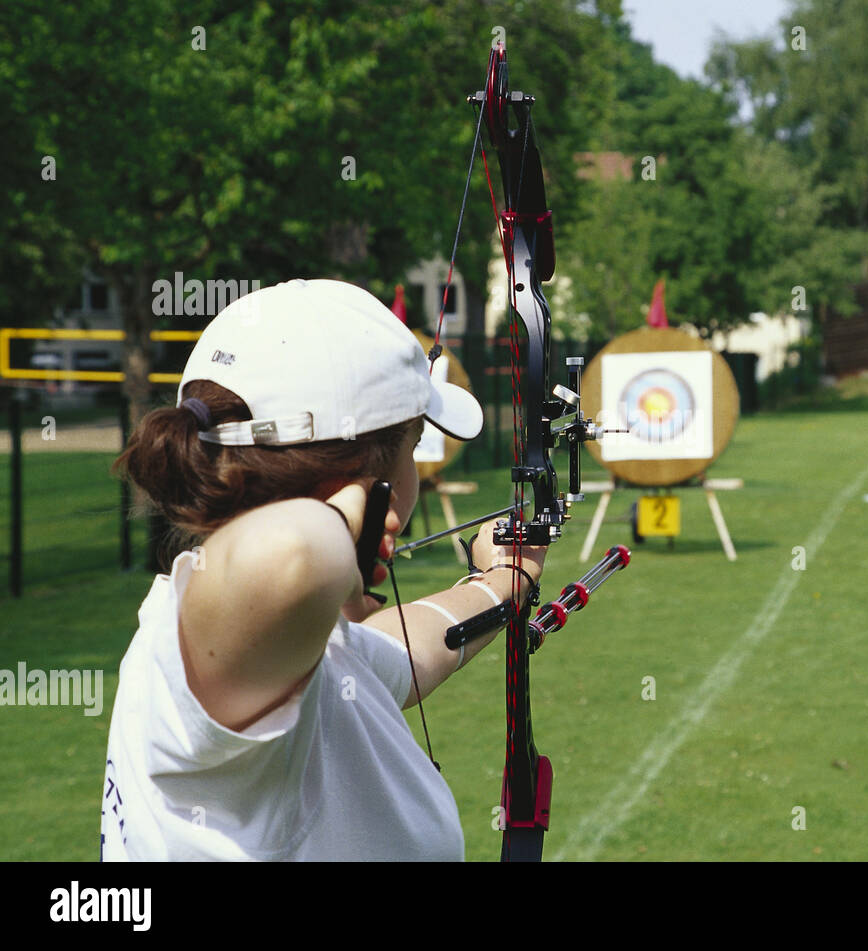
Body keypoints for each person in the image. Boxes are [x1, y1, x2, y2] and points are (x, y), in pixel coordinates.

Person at [102, 278, 544, 860]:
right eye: (409, 450)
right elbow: (292, 560)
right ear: (367, 475)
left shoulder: (287, 643)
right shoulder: (200, 650)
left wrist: (501, 583)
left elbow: (395, 654)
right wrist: (351, 517)